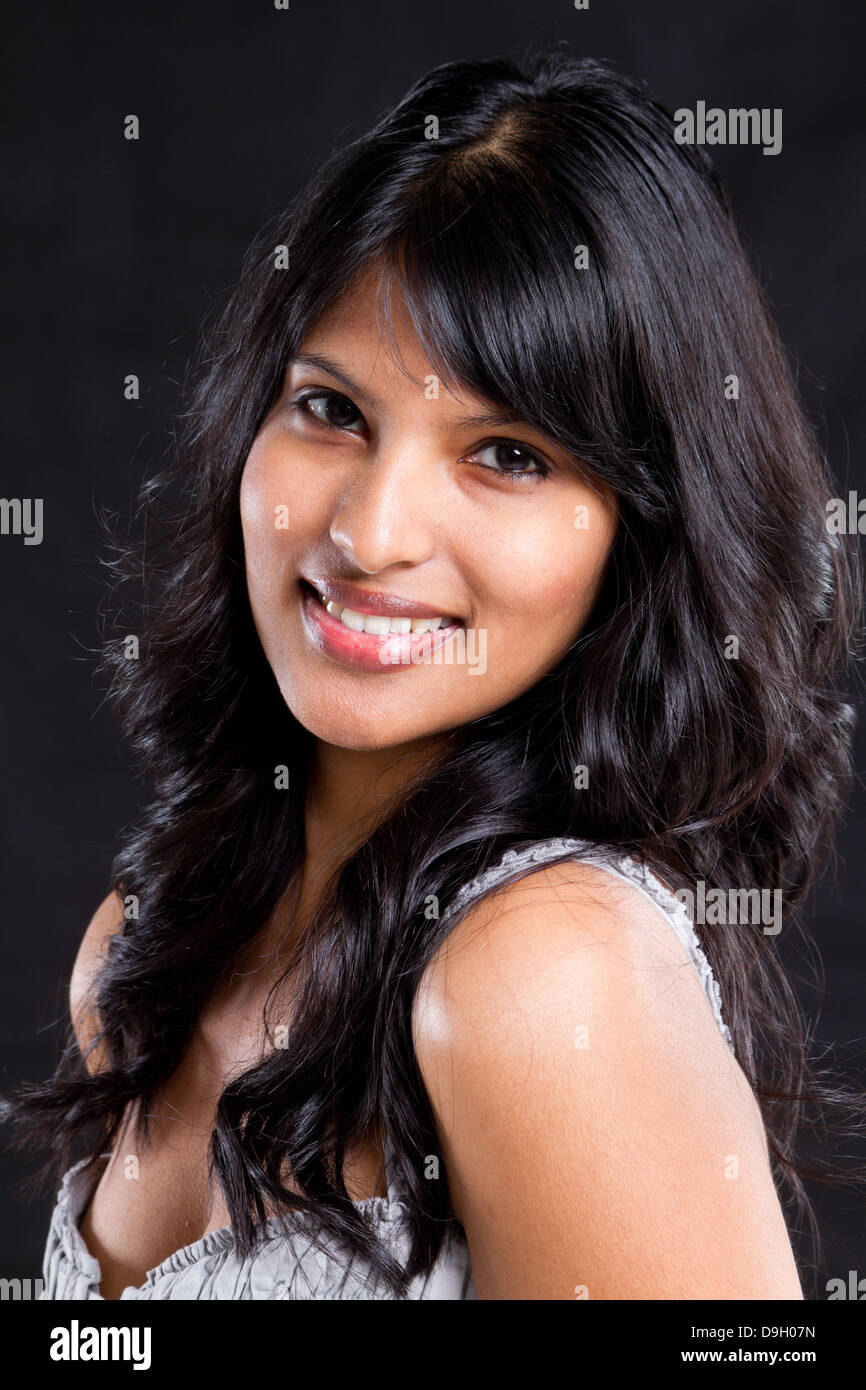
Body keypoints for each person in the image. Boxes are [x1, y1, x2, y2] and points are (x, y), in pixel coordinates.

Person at [3, 48, 862, 1300]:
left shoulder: (540, 973)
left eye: (506, 454)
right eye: (331, 410)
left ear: (642, 531)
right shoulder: (142, 951)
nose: (368, 532)